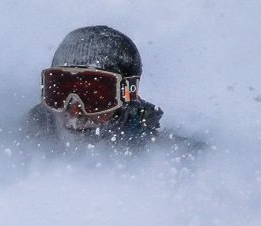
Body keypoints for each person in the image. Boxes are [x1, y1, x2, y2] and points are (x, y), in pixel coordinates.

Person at [24, 26, 164, 146]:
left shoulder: (166, 160)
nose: (75, 112)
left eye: (94, 96)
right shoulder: (20, 143)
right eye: (60, 93)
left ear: (127, 95)